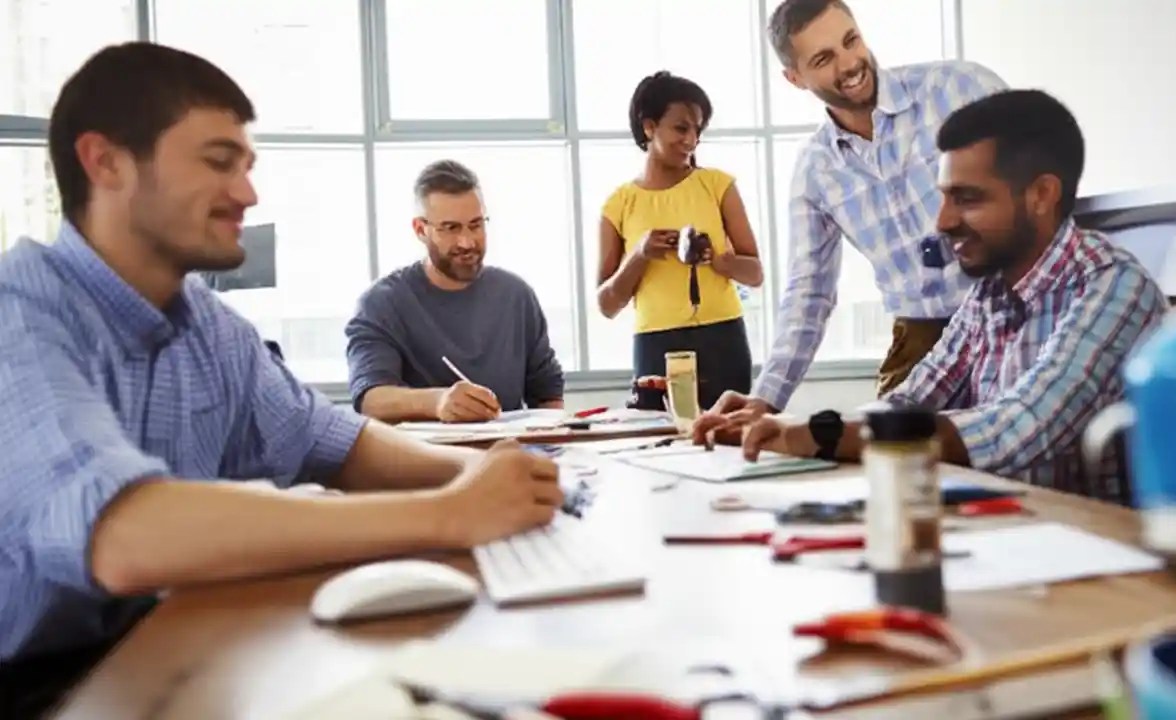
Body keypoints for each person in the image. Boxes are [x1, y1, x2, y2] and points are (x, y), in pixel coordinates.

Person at [0, 43, 561, 717]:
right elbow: (123, 535)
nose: (247, 194)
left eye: (248, 167)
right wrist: (448, 515)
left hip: (161, 644)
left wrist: (508, 478)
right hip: (33, 686)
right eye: (218, 163)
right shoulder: (20, 316)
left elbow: (340, 443)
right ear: (107, 162)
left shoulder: (210, 328)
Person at [694, 89, 1168, 502]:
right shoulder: (989, 292)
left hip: (1099, 563)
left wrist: (816, 435)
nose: (941, 221)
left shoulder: (1116, 286)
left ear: (1041, 194)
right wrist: (785, 425)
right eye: (943, 196)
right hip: (1009, 537)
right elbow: (908, 403)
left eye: (967, 198)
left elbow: (1017, 430)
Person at [708, 0, 1010, 421]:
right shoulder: (816, 171)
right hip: (920, 333)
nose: (849, 63)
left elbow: (1041, 185)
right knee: (882, 453)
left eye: (851, 41)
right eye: (823, 58)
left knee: (1008, 439)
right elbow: (809, 291)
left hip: (1007, 305)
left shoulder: (958, 88)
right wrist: (765, 399)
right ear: (795, 78)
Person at [345, 159, 565, 424]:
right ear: (420, 230)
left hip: (508, 455)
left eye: (476, 225)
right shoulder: (381, 303)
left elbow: (547, 394)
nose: (467, 242)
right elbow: (370, 398)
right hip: (421, 460)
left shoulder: (516, 296)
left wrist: (553, 448)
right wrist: (436, 402)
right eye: (450, 228)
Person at [596, 71, 764, 410]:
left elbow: (755, 273)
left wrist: (716, 260)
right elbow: (607, 304)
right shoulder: (618, 204)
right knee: (659, 439)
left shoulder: (718, 186)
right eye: (681, 127)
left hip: (723, 338)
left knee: (726, 442)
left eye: (698, 130)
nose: (692, 139)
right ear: (649, 127)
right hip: (656, 344)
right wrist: (640, 254)